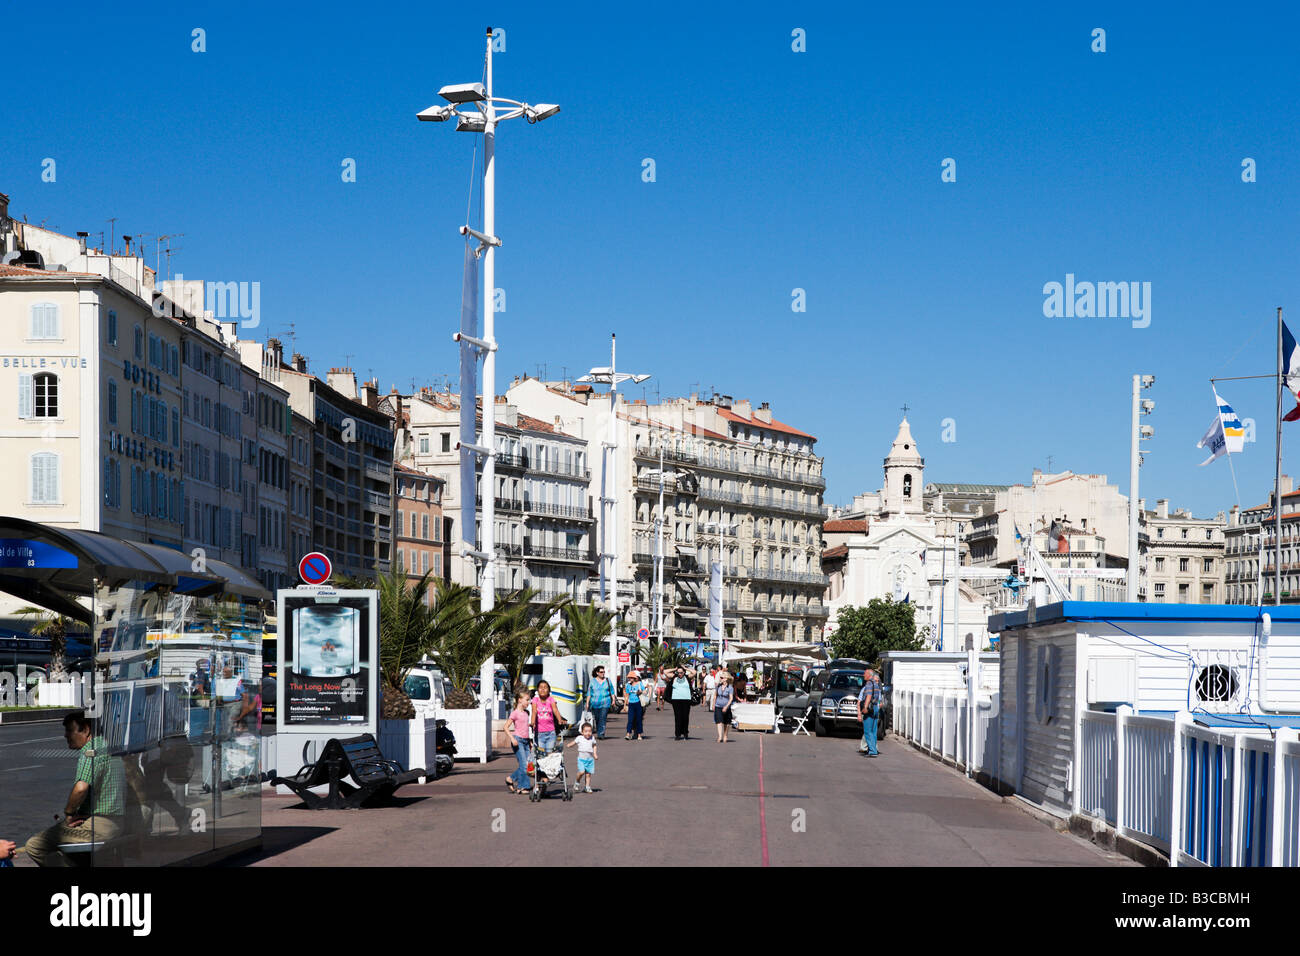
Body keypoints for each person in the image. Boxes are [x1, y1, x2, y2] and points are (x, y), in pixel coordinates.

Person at [25, 710, 126, 867]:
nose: (66, 735)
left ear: (86, 730)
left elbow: (80, 789)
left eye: (69, 730)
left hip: (100, 826)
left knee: (35, 845)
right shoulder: (109, 745)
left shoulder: (90, 751)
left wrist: (69, 814)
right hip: (116, 821)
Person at [505, 690, 533, 794]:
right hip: (517, 740)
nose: (528, 702)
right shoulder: (515, 713)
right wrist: (512, 739)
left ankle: (511, 778)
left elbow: (526, 728)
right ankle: (523, 787)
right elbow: (506, 727)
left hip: (525, 741)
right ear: (520, 700)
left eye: (529, 700)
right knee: (524, 765)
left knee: (529, 764)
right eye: (527, 700)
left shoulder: (526, 713)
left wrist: (529, 741)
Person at [531, 680, 567, 753]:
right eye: (540, 687)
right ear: (537, 690)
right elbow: (534, 711)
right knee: (541, 755)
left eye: (545, 687)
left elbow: (555, 710)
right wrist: (532, 722)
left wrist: (560, 720)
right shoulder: (535, 700)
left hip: (551, 732)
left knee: (549, 754)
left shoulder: (551, 699)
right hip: (539, 733)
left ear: (548, 690)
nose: (543, 689)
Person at [584, 666, 615, 740]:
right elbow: (589, 693)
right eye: (601, 672)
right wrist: (587, 703)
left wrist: (613, 700)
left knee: (603, 718)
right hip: (595, 703)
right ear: (597, 673)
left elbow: (612, 691)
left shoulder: (607, 680)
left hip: (605, 702)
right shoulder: (593, 681)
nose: (603, 673)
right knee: (597, 719)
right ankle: (599, 732)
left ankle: (601, 734)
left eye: (604, 672)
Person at [566, 722, 598, 793]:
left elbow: (594, 745)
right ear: (582, 732)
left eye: (589, 731)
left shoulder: (592, 738)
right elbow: (574, 742)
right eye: (586, 731)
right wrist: (569, 745)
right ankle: (577, 782)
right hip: (581, 759)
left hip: (590, 760)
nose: (588, 733)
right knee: (581, 772)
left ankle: (587, 787)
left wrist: (595, 754)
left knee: (588, 774)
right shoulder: (579, 738)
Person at [857, 668, 882, 757]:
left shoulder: (868, 684)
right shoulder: (876, 684)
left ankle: (872, 751)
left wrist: (865, 707)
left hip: (870, 709)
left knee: (867, 731)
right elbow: (878, 698)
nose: (864, 675)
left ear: (869, 675)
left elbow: (868, 696)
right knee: (873, 730)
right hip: (875, 708)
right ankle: (874, 749)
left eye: (865, 674)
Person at [667, 666, 695, 740]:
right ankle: (678, 734)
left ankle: (685, 733)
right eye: (678, 673)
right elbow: (665, 672)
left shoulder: (687, 677)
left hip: (686, 699)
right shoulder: (674, 677)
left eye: (681, 672)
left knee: (685, 717)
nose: (679, 674)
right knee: (678, 717)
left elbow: (694, 672)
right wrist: (674, 669)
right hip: (676, 699)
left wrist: (685, 668)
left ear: (684, 672)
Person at [624, 671, 646, 740]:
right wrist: (625, 704)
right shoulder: (628, 685)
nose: (630, 679)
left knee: (638, 719)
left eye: (631, 677)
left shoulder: (639, 684)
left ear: (634, 678)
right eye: (629, 678)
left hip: (638, 703)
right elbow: (627, 695)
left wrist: (640, 692)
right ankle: (628, 734)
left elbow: (645, 691)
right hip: (631, 704)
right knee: (630, 719)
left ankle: (639, 735)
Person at [713, 673, 735, 743]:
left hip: (726, 706)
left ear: (726, 679)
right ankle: (720, 736)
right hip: (718, 706)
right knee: (719, 721)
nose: (720, 679)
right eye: (720, 677)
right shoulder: (718, 686)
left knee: (726, 722)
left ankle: (725, 735)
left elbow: (731, 698)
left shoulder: (730, 688)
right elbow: (715, 696)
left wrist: (726, 706)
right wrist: (713, 704)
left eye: (722, 678)